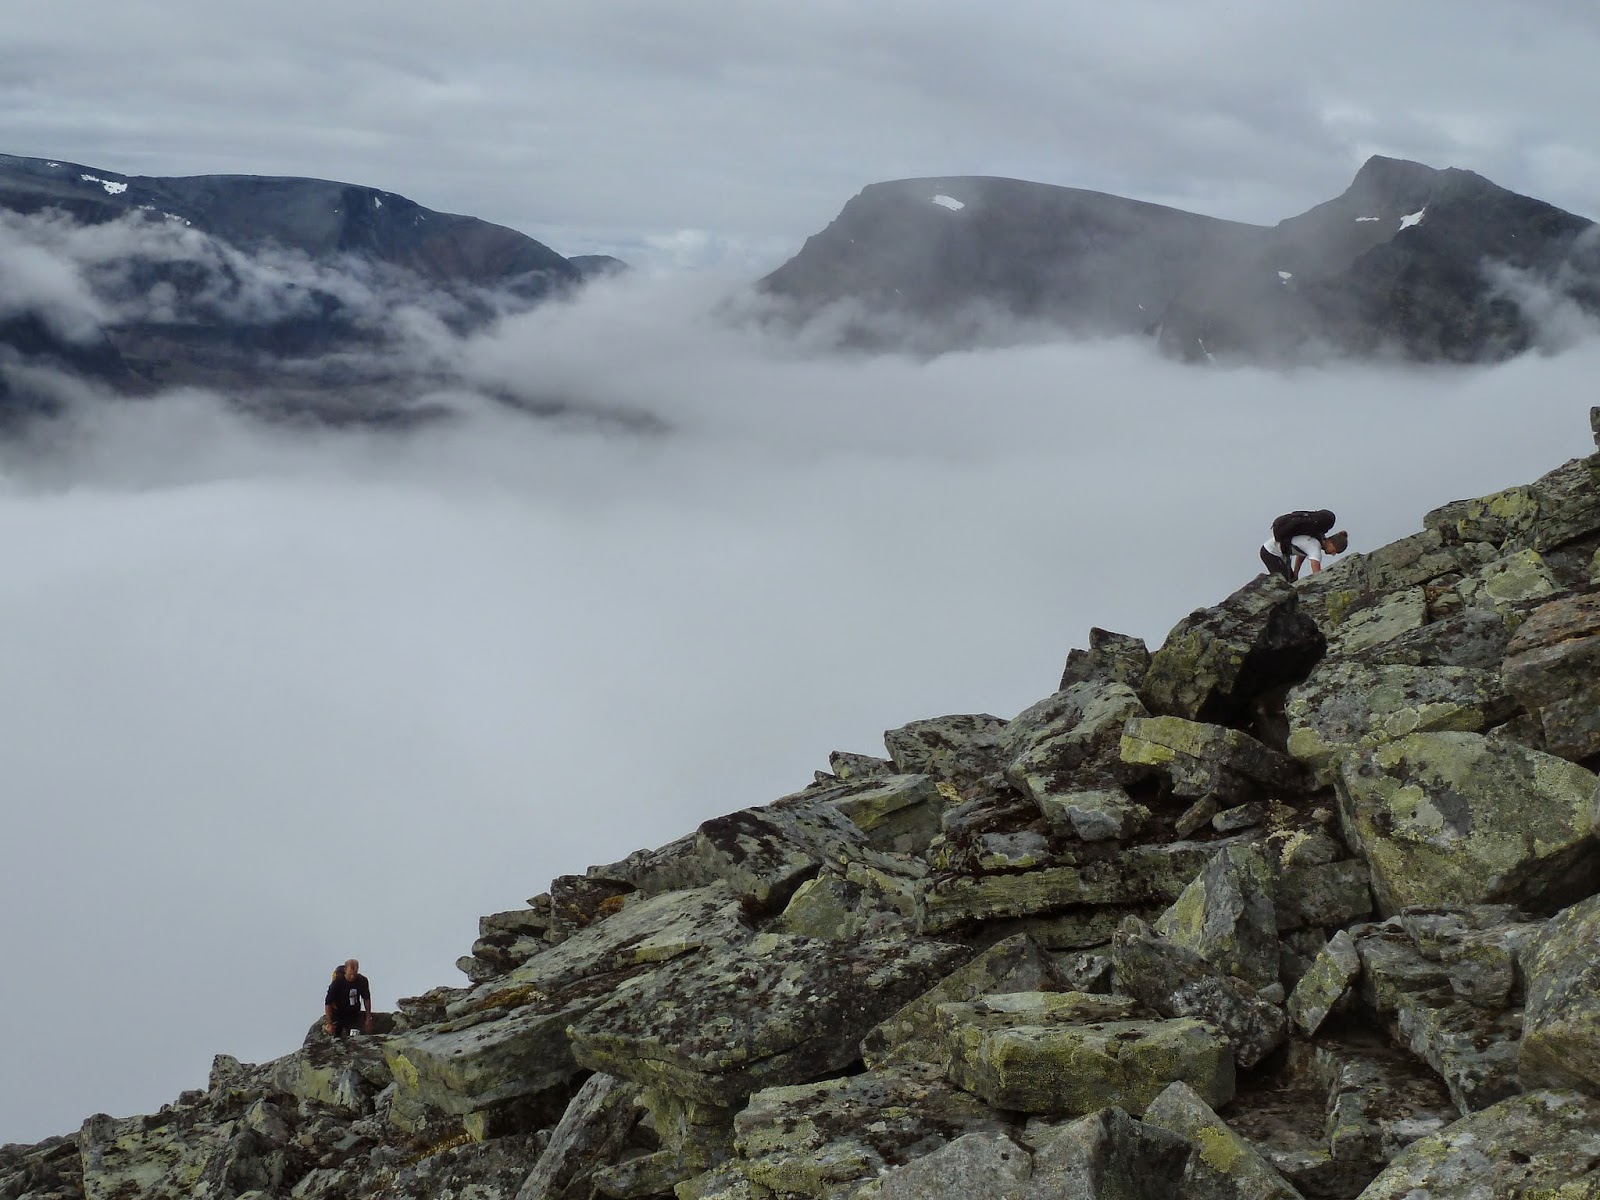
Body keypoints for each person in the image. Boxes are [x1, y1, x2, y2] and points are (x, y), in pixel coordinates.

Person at [1261, 511, 1348, 580]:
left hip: (1275, 552)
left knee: (1291, 581)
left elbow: (1302, 554)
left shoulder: (1318, 537)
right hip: (1270, 553)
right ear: (1332, 543)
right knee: (1284, 584)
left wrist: (1295, 573)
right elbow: (1317, 574)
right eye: (1335, 550)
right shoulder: (1315, 547)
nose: (1333, 554)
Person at [324, 959, 373, 1037]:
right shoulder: (337, 982)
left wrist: (368, 1018)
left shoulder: (362, 981)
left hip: (353, 1013)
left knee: (355, 1035)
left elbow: (366, 999)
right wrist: (329, 1023)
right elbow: (328, 1002)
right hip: (338, 1013)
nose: (353, 977)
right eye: (350, 974)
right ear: (345, 970)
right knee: (336, 1036)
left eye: (355, 974)